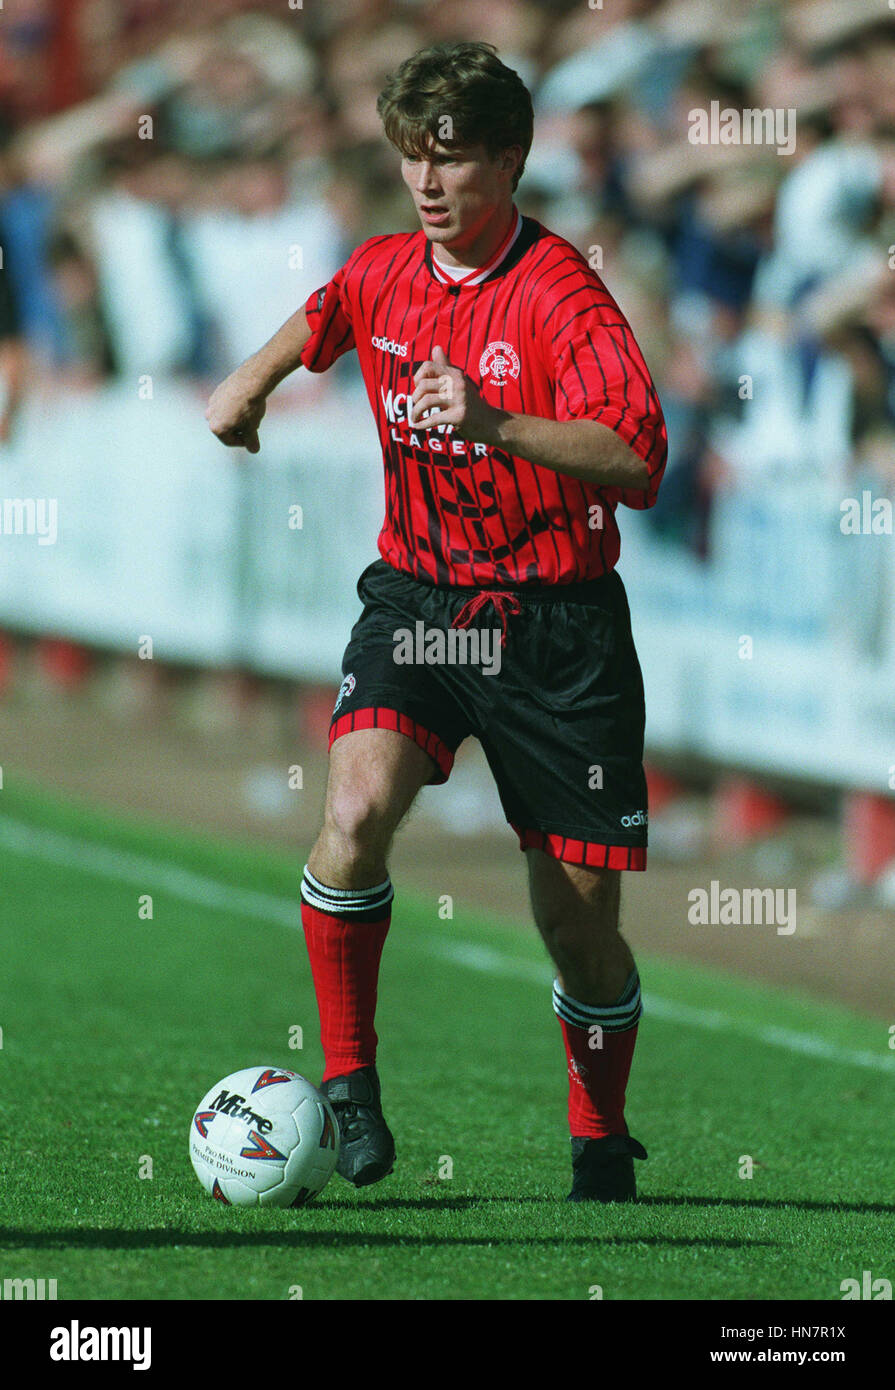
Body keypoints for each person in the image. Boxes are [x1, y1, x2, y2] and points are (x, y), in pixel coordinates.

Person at [206, 41, 667, 1203]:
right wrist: (247, 387)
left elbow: (639, 458)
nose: (427, 179)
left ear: (508, 162)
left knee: (578, 930)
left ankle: (597, 1131)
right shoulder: (386, 270)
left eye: (452, 157)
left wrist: (498, 422)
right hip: (422, 601)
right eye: (412, 153)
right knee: (353, 808)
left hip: (557, 631)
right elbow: (326, 314)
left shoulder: (560, 293)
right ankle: (350, 1088)